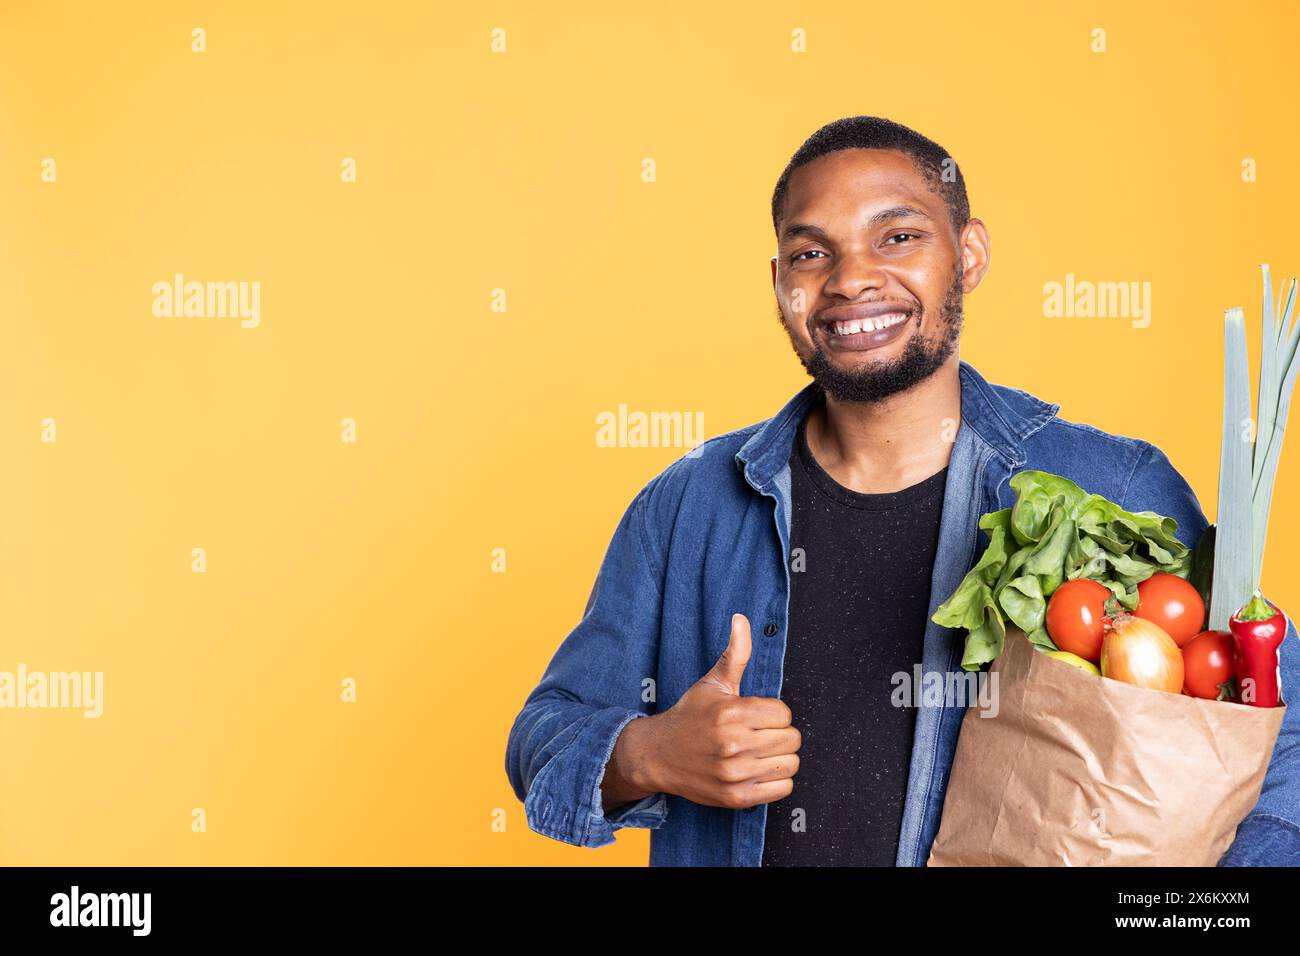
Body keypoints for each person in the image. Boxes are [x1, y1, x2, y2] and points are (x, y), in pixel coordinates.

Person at [505, 115, 1300, 866]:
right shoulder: (685, 508)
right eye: (812, 254)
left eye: (899, 237)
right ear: (780, 282)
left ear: (970, 254)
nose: (852, 279)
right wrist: (649, 755)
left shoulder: (1113, 488)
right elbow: (543, 733)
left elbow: (1279, 741)